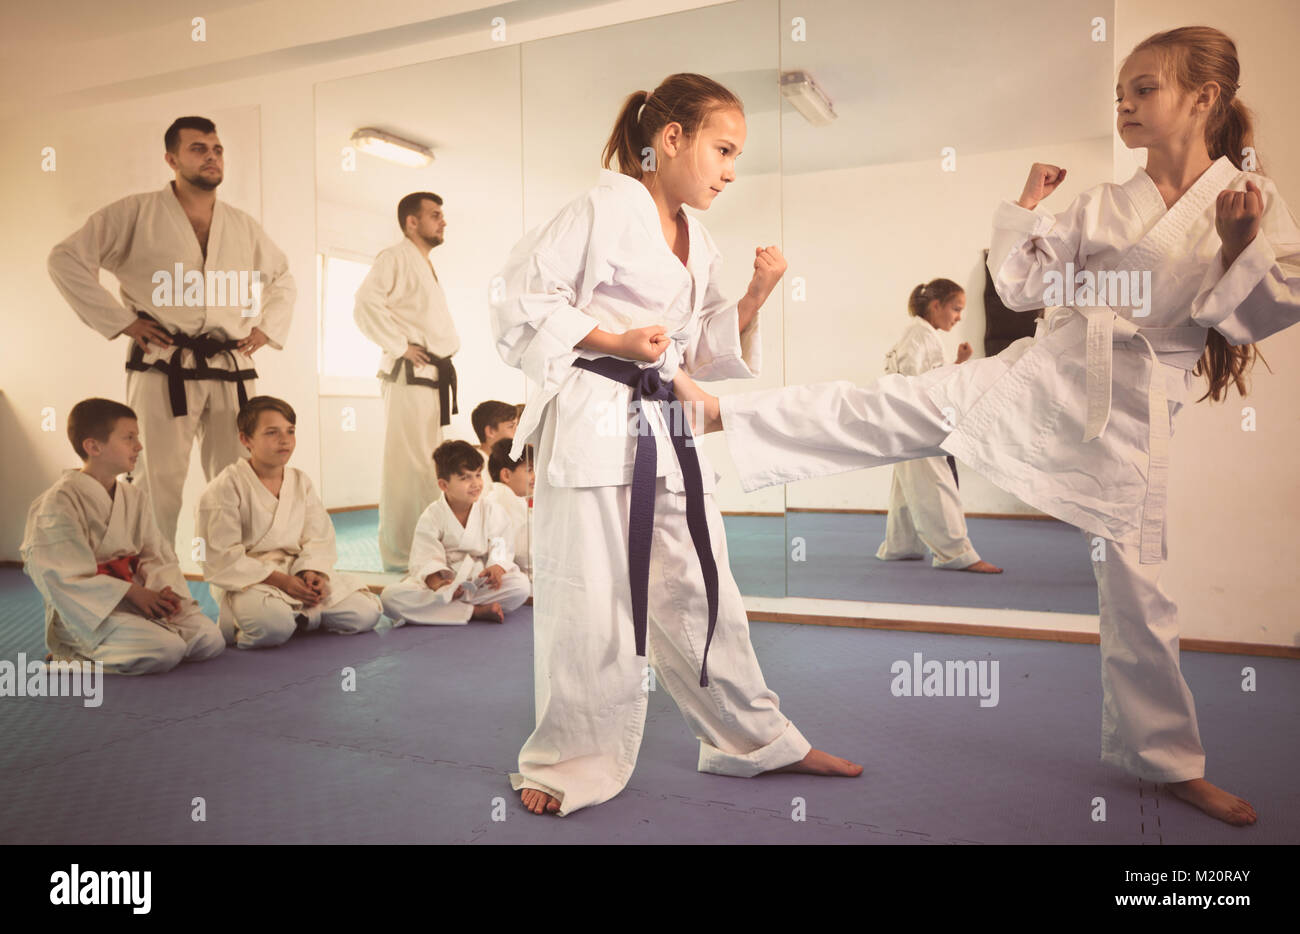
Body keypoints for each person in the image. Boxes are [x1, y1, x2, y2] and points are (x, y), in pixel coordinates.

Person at [674, 28, 1300, 826]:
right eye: (1122, 91)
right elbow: (1024, 283)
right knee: (890, 406)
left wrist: (1241, 245)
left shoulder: (1250, 202)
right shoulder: (1105, 202)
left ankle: (1170, 762)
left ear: (1204, 99)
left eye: (1145, 89)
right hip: (1048, 371)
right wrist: (1029, 208)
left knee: (1144, 595)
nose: (1126, 104)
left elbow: (1255, 317)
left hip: (1138, 406)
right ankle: (722, 408)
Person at [491, 73, 862, 817]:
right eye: (722, 150)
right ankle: (568, 758)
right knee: (590, 598)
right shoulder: (599, 208)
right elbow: (519, 303)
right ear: (671, 139)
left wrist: (757, 293)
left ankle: (752, 739)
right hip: (595, 417)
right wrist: (614, 339)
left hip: (662, 421)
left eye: (736, 155)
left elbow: (692, 350)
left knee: (703, 585)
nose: (731, 170)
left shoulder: (701, 241)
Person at [48, 116, 296, 558]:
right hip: (165, 362)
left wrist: (266, 327)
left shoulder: (242, 225)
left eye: (217, 149)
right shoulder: (135, 213)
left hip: (229, 364)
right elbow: (65, 258)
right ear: (172, 158)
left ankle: (240, 583)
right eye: (198, 148)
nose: (212, 156)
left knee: (237, 475)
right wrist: (121, 320)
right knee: (155, 478)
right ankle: (154, 578)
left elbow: (282, 279)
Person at [21, 398, 225, 674]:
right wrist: (132, 592)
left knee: (209, 640)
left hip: (140, 598)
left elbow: (156, 555)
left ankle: (140, 635)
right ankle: (69, 657)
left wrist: (162, 594)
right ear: (93, 446)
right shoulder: (57, 504)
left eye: (137, 438)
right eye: (129, 438)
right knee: (166, 650)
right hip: (88, 613)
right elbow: (62, 578)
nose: (139, 446)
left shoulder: (133, 496)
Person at [196, 396, 382, 648]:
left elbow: (318, 536)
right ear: (245, 439)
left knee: (365, 612)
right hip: (251, 581)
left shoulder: (300, 481)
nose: (284, 440)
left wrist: (311, 573)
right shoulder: (224, 487)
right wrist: (282, 582)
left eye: (290, 431)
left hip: (296, 570)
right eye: (272, 432)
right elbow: (221, 557)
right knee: (272, 624)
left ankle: (298, 615)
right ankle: (281, 619)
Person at [353, 192, 461, 572]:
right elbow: (365, 304)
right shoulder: (395, 257)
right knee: (407, 467)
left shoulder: (422, 263)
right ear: (411, 222)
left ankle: (426, 547)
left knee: (427, 467)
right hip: (408, 376)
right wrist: (400, 346)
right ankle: (400, 555)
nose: (442, 221)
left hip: (430, 378)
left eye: (442, 215)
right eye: (434, 215)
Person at [876, 279, 1001, 573]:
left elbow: (926, 377)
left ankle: (901, 545)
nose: (958, 317)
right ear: (936, 306)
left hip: (907, 421)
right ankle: (957, 554)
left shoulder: (923, 333)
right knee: (936, 485)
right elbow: (910, 379)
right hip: (915, 422)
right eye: (955, 309)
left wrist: (958, 362)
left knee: (908, 486)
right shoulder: (919, 335)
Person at [379, 441, 530, 625]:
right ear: (443, 485)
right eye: (465, 478)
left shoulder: (491, 509)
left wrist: (496, 567)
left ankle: (446, 612)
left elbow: (500, 543)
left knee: (520, 586)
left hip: (479, 581)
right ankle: (474, 611)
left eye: (477, 475)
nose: (475, 484)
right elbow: (425, 558)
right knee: (390, 598)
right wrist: (441, 584)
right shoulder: (432, 516)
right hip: (444, 585)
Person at [484, 437, 535, 577]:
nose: (535, 477)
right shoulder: (506, 501)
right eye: (529, 470)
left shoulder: (498, 496)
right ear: (506, 475)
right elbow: (525, 556)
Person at [469, 400, 519, 493]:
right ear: (490, 431)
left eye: (517, 426)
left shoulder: (503, 462)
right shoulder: (476, 469)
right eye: (511, 426)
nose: (517, 432)